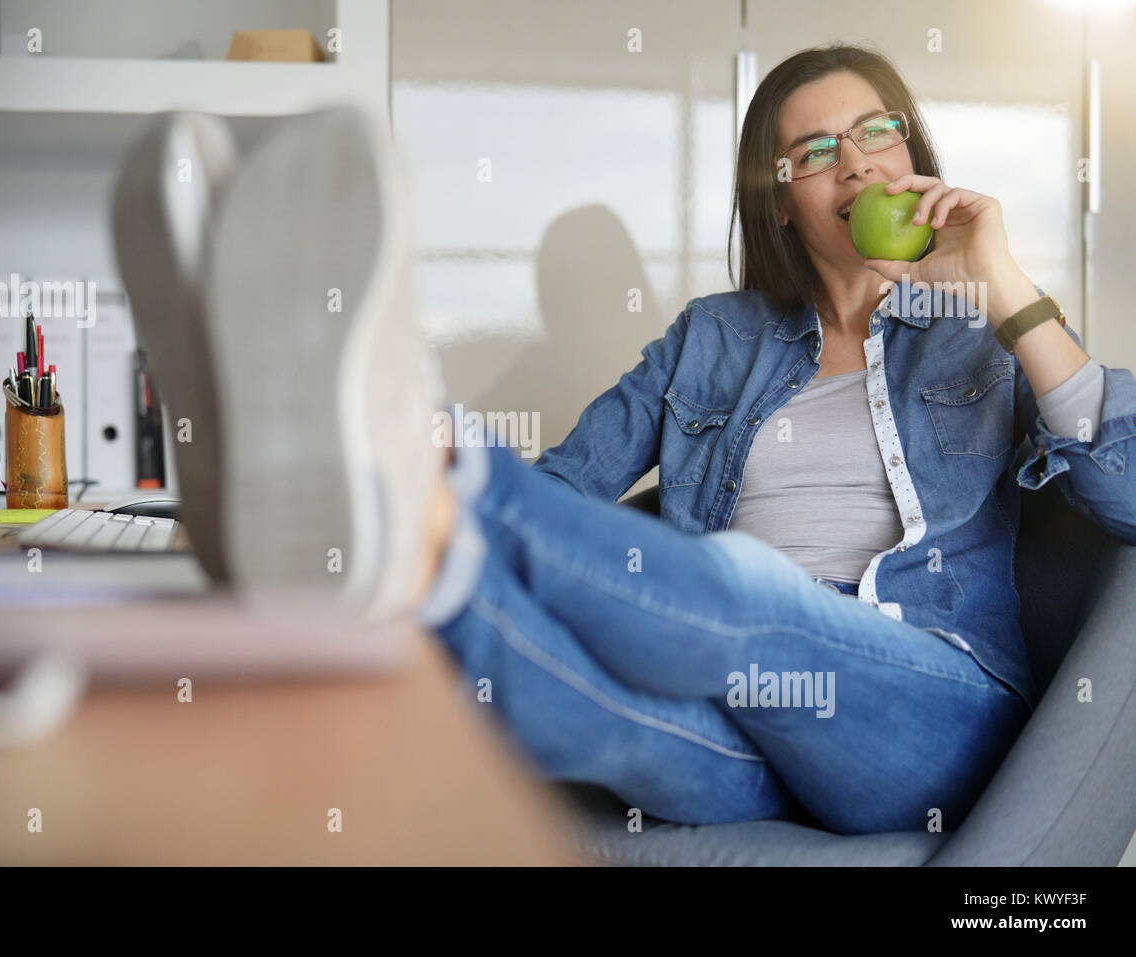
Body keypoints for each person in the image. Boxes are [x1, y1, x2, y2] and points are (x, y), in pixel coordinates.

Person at [123, 44, 1136, 836]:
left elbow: (1126, 490)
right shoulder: (712, 339)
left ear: (911, 156)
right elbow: (565, 486)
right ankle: (324, 524)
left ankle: (409, 464)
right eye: (820, 150)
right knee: (582, 706)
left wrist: (1001, 283)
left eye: (878, 132)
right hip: (737, 725)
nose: (861, 161)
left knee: (750, 590)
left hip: (921, 709)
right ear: (781, 199)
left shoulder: (979, 330)